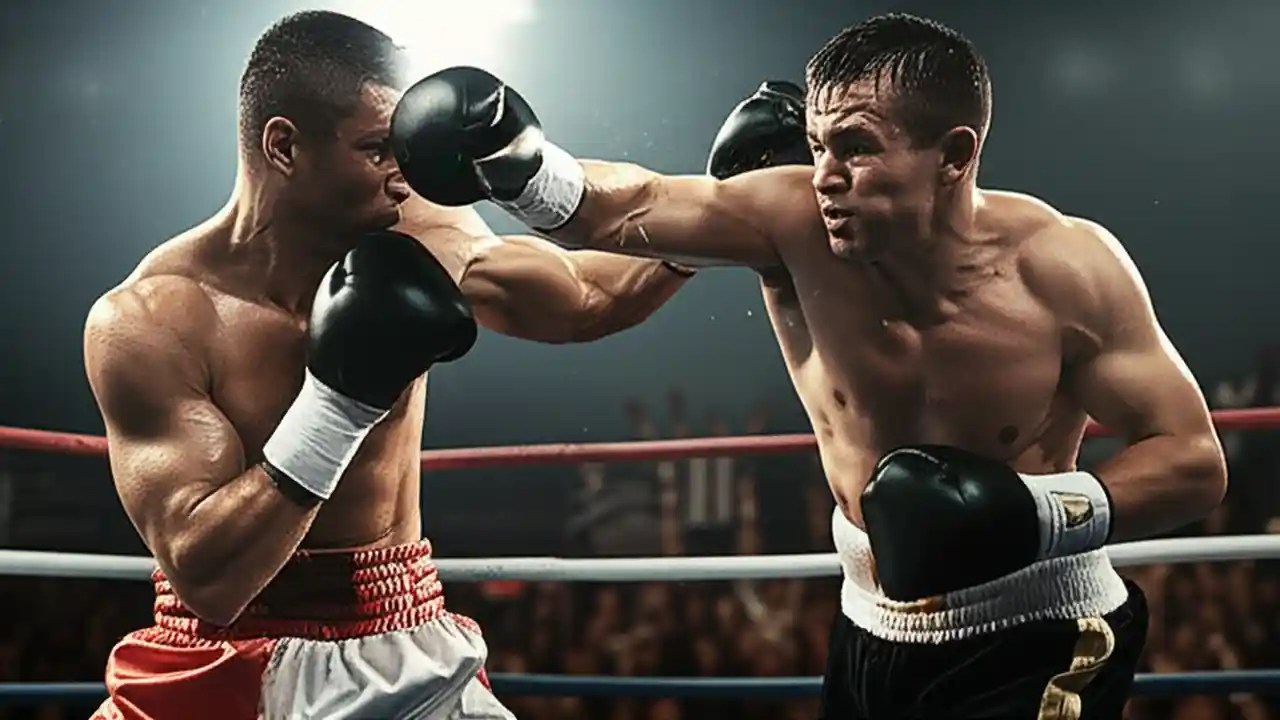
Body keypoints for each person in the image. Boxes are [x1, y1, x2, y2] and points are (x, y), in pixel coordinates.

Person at [390, 13, 1228, 719]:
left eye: (857, 149)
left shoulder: (1067, 269)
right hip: (869, 626)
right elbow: (628, 207)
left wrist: (1031, 516)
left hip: (1040, 631)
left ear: (955, 154)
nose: (824, 176)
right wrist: (516, 161)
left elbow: (1195, 461)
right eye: (818, 144)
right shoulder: (789, 221)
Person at [82, 11, 692, 720]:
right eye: (377, 149)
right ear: (283, 146)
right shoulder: (153, 320)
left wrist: (710, 222)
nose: (404, 174)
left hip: (406, 640)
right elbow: (209, 580)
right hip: (223, 659)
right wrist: (337, 406)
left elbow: (586, 297)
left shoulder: (421, 232)